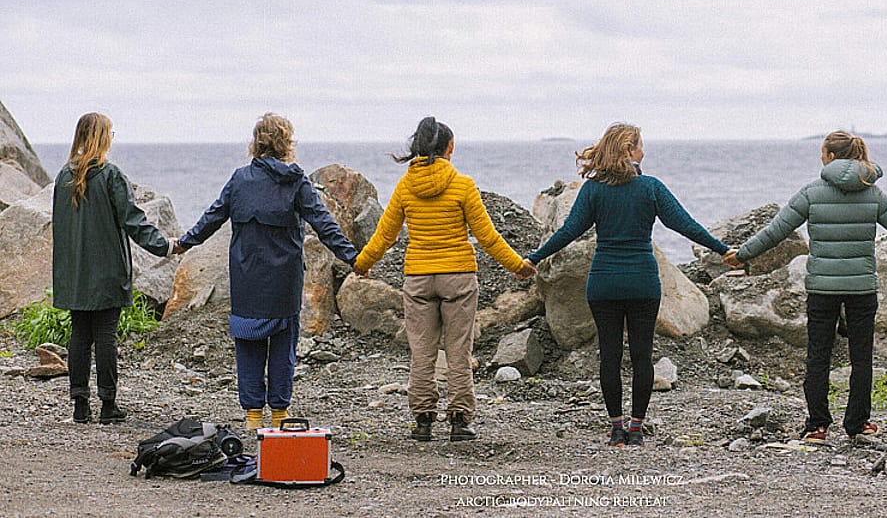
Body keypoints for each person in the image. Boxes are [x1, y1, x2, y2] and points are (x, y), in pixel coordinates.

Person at [723, 131, 887, 444]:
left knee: (818, 357)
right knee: (861, 358)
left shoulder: (811, 192)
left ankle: (817, 426)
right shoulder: (873, 193)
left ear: (831, 157)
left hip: (822, 288)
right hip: (861, 287)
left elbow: (776, 231)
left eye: (822, 152)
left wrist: (741, 255)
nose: (821, 157)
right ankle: (858, 424)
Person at [525, 123, 730, 448]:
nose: (643, 152)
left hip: (604, 283)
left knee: (608, 356)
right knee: (641, 356)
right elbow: (685, 225)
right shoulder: (651, 188)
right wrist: (723, 251)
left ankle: (616, 429)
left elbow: (567, 232)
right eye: (640, 146)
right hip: (641, 283)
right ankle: (636, 428)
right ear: (629, 150)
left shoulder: (592, 190)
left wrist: (533, 259)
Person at [353, 117, 536, 442]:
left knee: (421, 352)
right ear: (449, 148)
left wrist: (362, 263)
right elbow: (488, 237)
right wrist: (517, 266)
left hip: (419, 280)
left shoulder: (405, 187)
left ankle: (423, 422)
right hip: (459, 279)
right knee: (458, 351)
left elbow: (384, 235)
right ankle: (459, 421)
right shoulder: (463, 186)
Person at [176, 113, 360, 431]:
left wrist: (183, 243)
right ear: (287, 145)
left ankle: (251, 417)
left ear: (255, 144)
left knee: (248, 344)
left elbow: (212, 217)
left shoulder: (239, 180)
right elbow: (324, 223)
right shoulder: (296, 182)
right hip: (284, 279)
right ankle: (278, 415)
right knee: (283, 347)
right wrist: (354, 258)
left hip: (248, 279)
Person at [52, 112, 180, 425]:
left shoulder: (63, 177)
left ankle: (80, 406)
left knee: (80, 334)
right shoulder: (110, 175)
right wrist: (167, 246)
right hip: (107, 271)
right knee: (106, 335)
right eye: (110, 132)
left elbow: (60, 228)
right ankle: (108, 405)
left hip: (74, 274)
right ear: (103, 137)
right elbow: (134, 221)